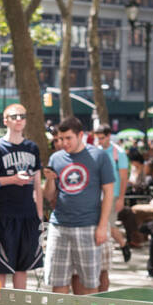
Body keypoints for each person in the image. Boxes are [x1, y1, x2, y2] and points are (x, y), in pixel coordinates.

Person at [41, 116, 116, 295]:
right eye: (61, 139)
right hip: (59, 226)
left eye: (68, 138)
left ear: (80, 135)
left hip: (88, 226)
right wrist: (49, 181)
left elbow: (109, 192)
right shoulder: (56, 158)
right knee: (57, 280)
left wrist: (102, 226)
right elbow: (49, 195)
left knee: (90, 282)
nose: (64, 143)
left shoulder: (99, 156)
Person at [0, 103, 44, 290]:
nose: (19, 119)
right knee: (0, 267)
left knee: (22, 267)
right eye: (14, 116)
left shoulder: (32, 148)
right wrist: (12, 179)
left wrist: (40, 215)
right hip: (4, 214)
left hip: (28, 215)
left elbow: (37, 184)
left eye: (22, 116)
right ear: (5, 121)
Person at [94, 125, 131, 268]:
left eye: (102, 138)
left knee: (108, 224)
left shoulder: (118, 153)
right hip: (97, 195)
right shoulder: (96, 150)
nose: (99, 141)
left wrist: (121, 197)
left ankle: (123, 244)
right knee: (103, 224)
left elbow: (123, 177)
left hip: (113, 195)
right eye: (98, 138)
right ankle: (120, 245)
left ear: (109, 136)